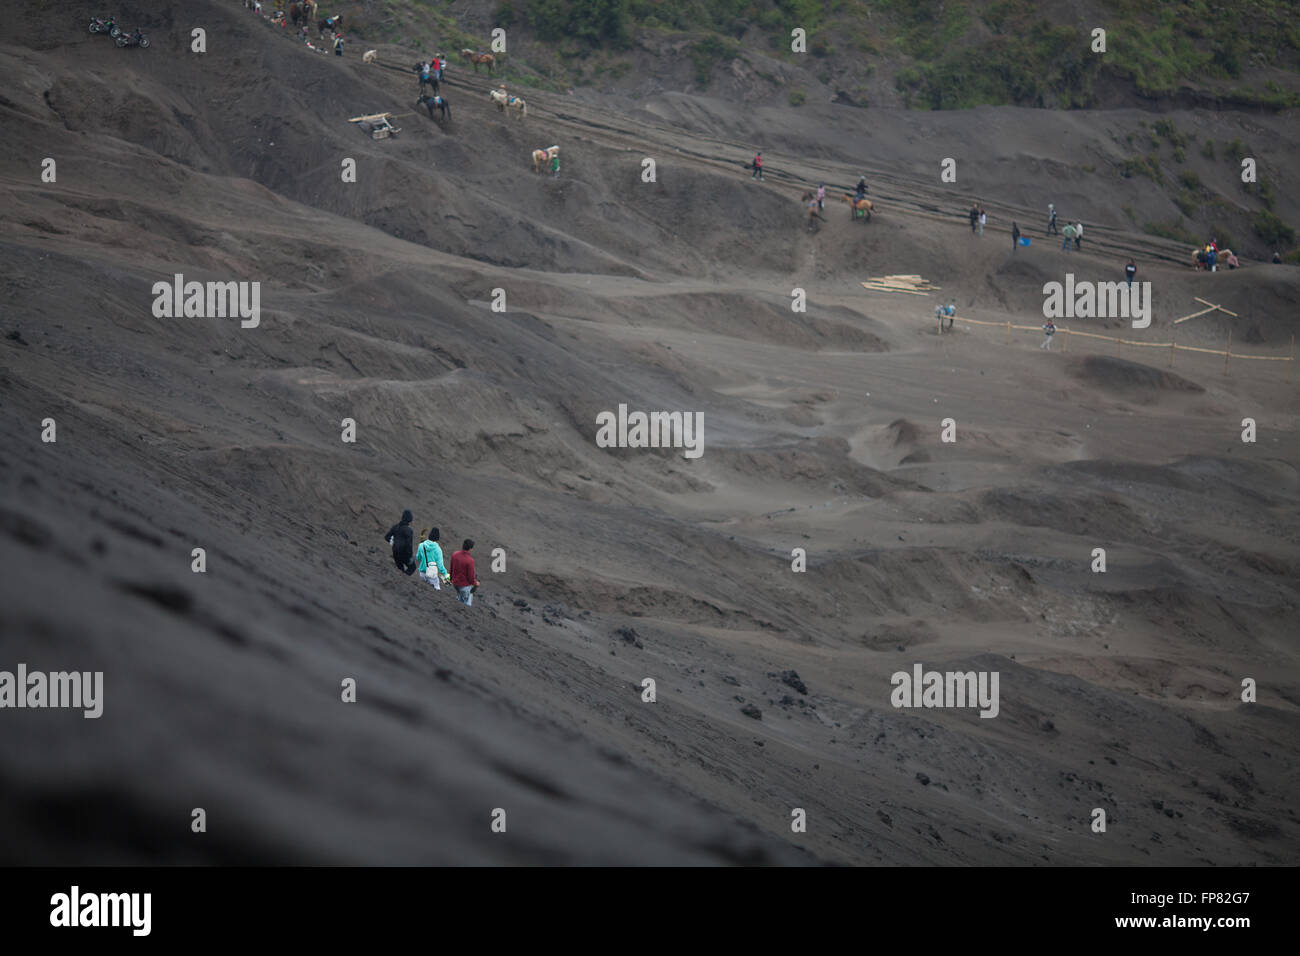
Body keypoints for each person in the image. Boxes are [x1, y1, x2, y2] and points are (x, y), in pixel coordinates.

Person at [385, 509, 417, 575]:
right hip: (404, 554)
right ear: (410, 519)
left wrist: (393, 543)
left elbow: (387, 537)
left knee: (400, 569)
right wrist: (410, 556)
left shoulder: (395, 527)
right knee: (412, 567)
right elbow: (409, 545)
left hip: (395, 552)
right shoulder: (409, 530)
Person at [450, 539, 480, 606]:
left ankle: (459, 599)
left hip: (455, 583)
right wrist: (476, 583)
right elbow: (471, 578)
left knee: (460, 596)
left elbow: (451, 569)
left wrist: (451, 579)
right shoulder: (470, 560)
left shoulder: (454, 554)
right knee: (467, 603)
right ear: (470, 549)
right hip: (463, 585)